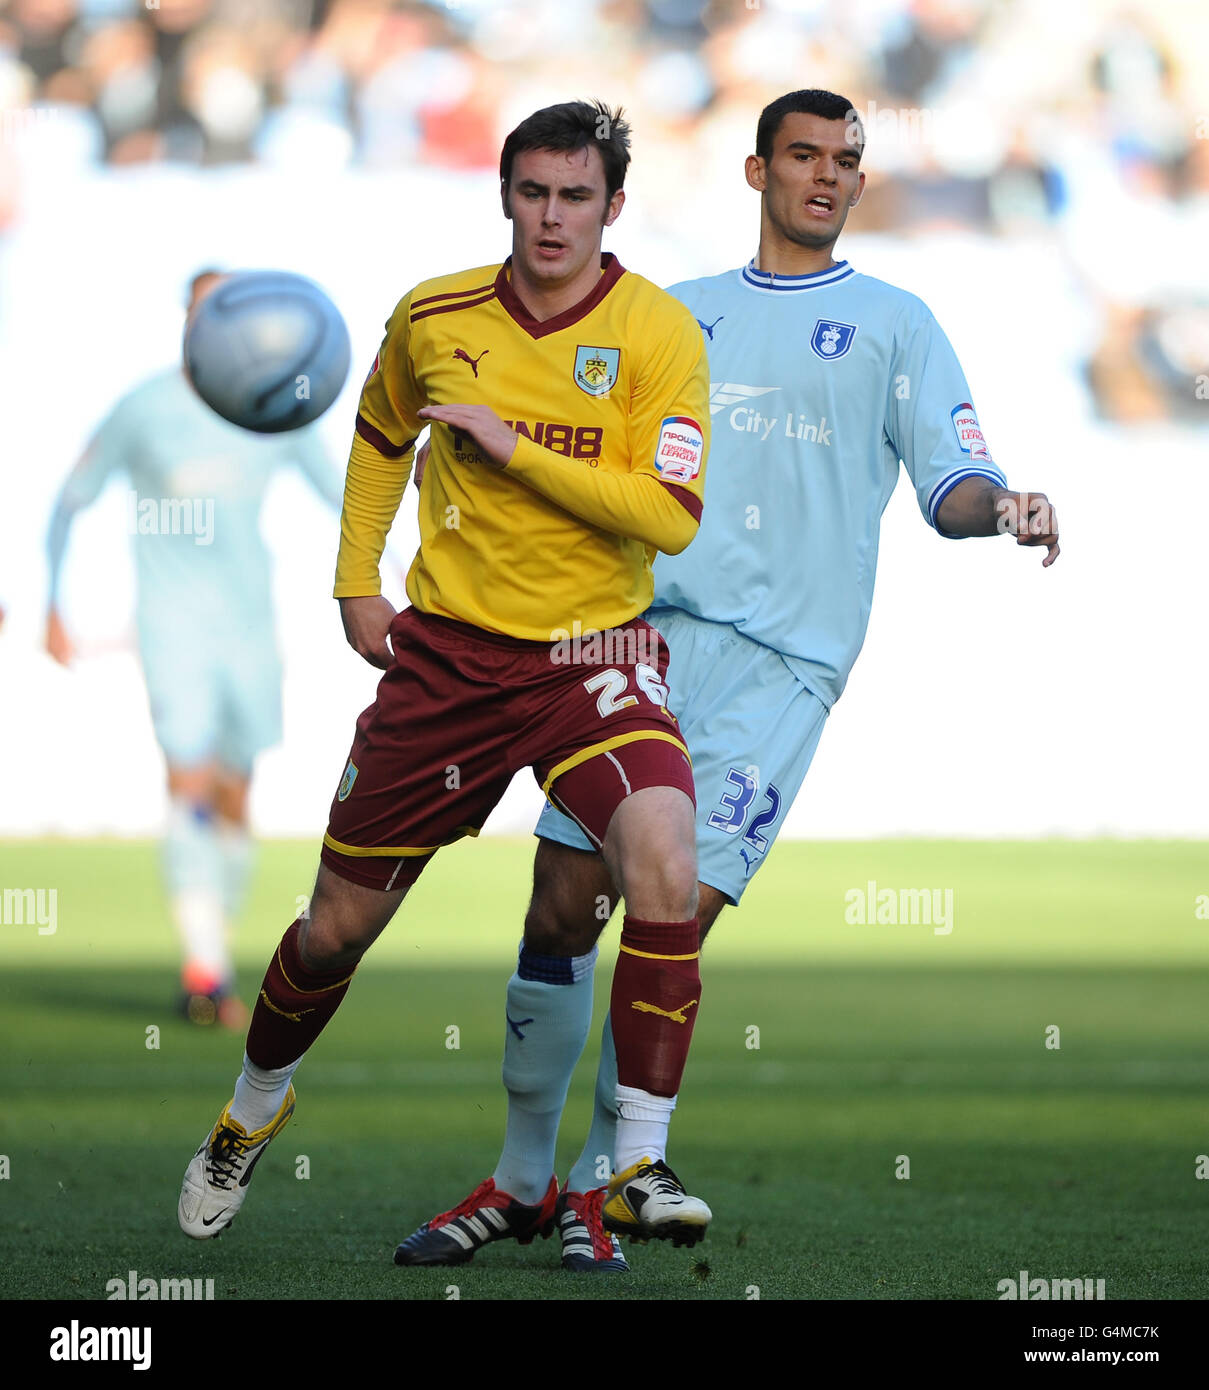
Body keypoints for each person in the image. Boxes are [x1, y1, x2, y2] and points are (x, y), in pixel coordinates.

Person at [401, 87, 1061, 1274]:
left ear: (859, 182)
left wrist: (1002, 507)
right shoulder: (670, 318)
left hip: (782, 668)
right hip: (635, 643)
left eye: (847, 161)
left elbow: (952, 480)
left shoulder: (897, 324)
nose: (827, 176)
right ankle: (517, 1181)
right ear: (757, 173)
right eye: (804, 156)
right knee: (560, 904)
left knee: (672, 915)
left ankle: (607, 1183)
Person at [177, 100, 715, 1259]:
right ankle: (251, 1110)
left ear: (614, 205)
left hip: (594, 656)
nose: (552, 216)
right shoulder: (433, 315)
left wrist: (516, 448)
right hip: (451, 661)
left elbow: (669, 515)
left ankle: (635, 1160)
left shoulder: (660, 332)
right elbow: (380, 439)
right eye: (533, 191)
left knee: (669, 856)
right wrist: (353, 584)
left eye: (577, 195)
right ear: (506, 194)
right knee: (332, 931)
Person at [45, 270, 346, 1027]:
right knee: (188, 780)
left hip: (250, 629)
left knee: (235, 793)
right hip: (171, 624)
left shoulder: (272, 403)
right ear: (189, 319)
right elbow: (70, 501)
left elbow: (343, 497)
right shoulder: (144, 408)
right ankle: (203, 976)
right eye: (208, 308)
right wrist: (53, 600)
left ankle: (217, 956)